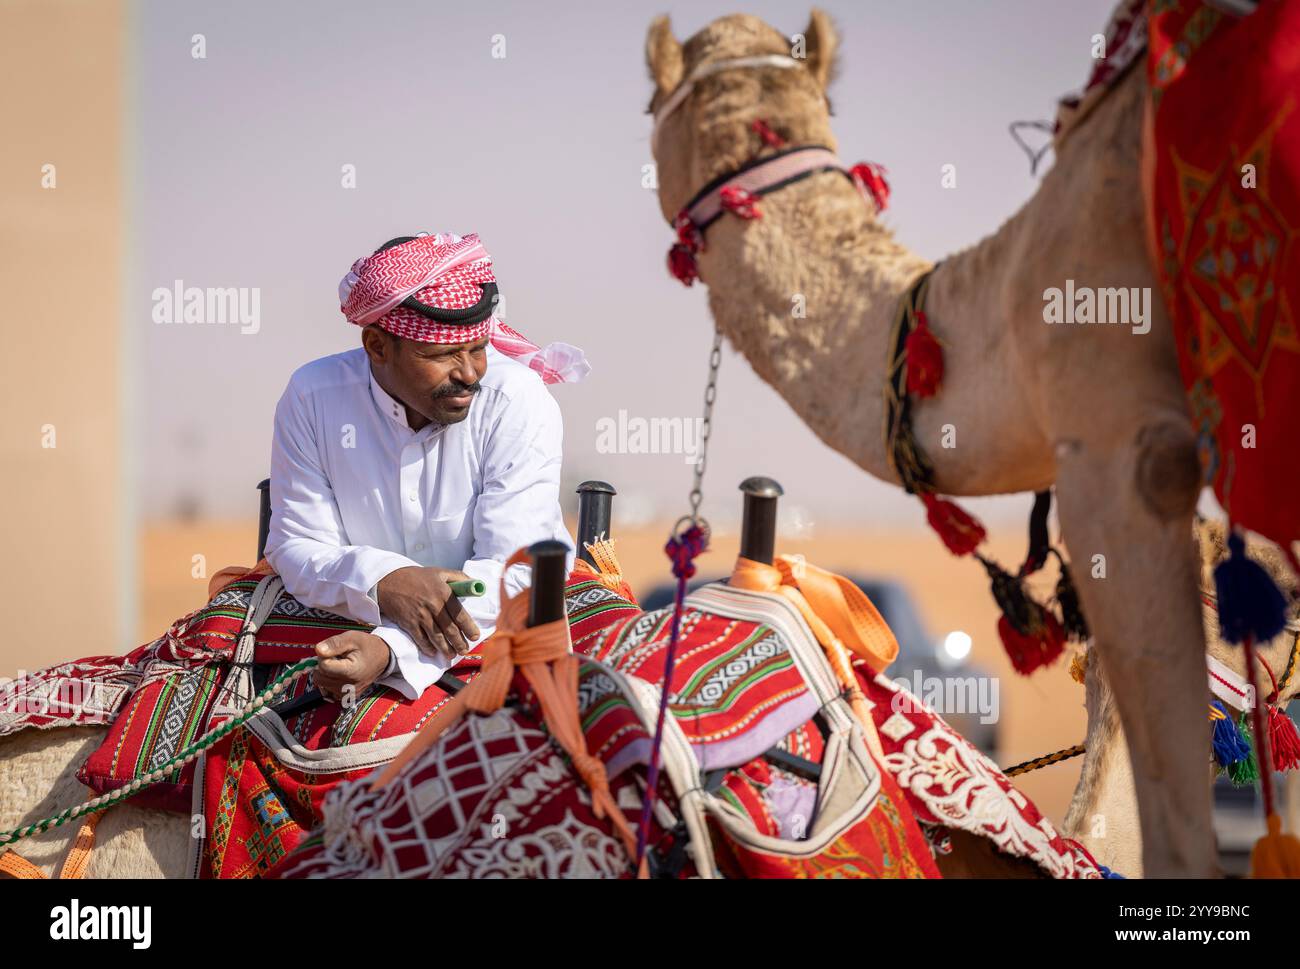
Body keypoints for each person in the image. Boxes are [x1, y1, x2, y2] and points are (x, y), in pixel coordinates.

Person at [264, 232, 588, 702]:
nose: (469, 373)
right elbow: (296, 544)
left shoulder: (516, 400)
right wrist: (385, 580)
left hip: (503, 634)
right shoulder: (313, 397)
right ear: (377, 346)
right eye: (441, 355)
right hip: (345, 625)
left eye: (478, 349)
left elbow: (517, 572)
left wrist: (389, 649)